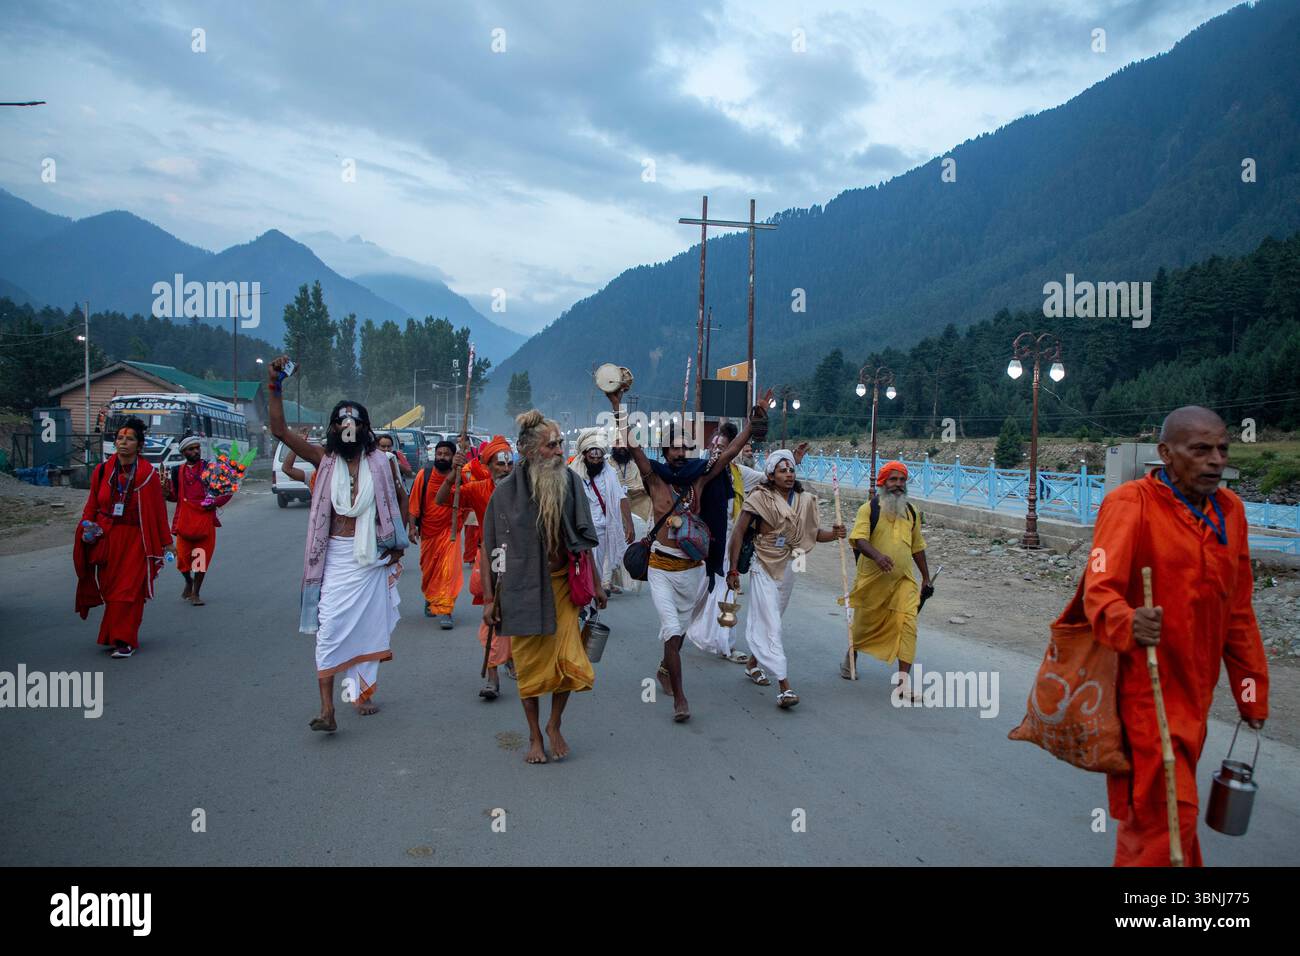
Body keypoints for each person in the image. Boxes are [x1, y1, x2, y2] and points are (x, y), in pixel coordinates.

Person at [1085, 406, 1268, 866]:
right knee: (1165, 814)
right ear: (1166, 453)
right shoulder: (1131, 503)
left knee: (1169, 814)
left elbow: (1239, 611)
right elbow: (1099, 586)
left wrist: (1251, 694)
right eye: (1201, 450)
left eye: (1222, 449)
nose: (1216, 461)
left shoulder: (1231, 511)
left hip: (1196, 693)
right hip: (1144, 689)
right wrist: (1126, 620)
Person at [607, 384, 767, 722]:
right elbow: (633, 446)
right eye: (673, 449)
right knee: (671, 628)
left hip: (694, 571)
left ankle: (666, 668)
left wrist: (753, 423)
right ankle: (681, 698)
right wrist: (617, 406)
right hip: (662, 569)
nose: (679, 454)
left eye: (684, 448)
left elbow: (730, 453)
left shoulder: (700, 479)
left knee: (679, 633)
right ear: (664, 452)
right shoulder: (653, 478)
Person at [267, 357, 407, 733]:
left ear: (364, 429)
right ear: (333, 429)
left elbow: (395, 503)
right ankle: (327, 710)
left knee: (367, 628)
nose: (348, 429)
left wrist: (398, 543)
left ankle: (361, 693)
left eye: (355, 424)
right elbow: (278, 429)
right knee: (328, 629)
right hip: (334, 558)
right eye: (342, 424)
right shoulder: (323, 459)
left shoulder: (381, 462)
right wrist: (274, 384)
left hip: (370, 560)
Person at [480, 410, 605, 764]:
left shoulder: (570, 482)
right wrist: (490, 600)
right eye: (551, 445)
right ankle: (534, 735)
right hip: (522, 592)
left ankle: (554, 724)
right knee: (532, 668)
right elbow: (490, 550)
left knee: (570, 661)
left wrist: (596, 583)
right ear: (530, 450)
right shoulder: (504, 495)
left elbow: (582, 541)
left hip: (564, 587)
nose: (558, 450)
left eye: (560, 443)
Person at [726, 450, 844, 707]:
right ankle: (784, 686)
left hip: (787, 567)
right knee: (773, 625)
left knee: (772, 619)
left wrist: (834, 534)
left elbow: (811, 535)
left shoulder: (804, 499)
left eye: (791, 470)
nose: (789, 474)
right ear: (770, 475)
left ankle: (752, 664)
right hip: (763, 566)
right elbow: (738, 533)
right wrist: (733, 569)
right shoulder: (759, 498)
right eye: (782, 470)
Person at [73, 417, 175, 658]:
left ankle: (125, 640)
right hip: (107, 537)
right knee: (110, 589)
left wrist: (166, 542)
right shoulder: (102, 471)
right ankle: (112, 634)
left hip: (136, 539)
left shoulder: (147, 474)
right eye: (120, 438)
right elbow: (91, 505)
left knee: (128, 590)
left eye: (129, 439)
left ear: (139, 446)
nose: (123, 443)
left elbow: (157, 512)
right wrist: (87, 525)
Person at [434, 435, 516, 699]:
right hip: (490, 558)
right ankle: (492, 677)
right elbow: (442, 500)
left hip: (520, 560)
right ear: (489, 466)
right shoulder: (479, 488)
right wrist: (453, 474)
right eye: (499, 464)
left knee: (516, 615)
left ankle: (512, 656)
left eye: (509, 464)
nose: (505, 469)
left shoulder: (524, 488)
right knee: (490, 615)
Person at [844, 461, 931, 702]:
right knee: (864, 625)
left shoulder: (911, 511)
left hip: (903, 581)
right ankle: (851, 654)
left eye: (902, 480)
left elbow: (918, 547)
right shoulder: (868, 509)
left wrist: (925, 577)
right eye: (893, 480)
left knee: (908, 625)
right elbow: (859, 539)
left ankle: (903, 684)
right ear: (882, 483)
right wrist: (878, 556)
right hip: (872, 581)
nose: (898, 485)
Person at [408, 440, 469, 627]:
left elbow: (467, 503)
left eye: (446, 454)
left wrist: (458, 522)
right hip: (428, 531)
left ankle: (446, 610)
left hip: (450, 531)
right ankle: (431, 597)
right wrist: (412, 527)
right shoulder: (423, 475)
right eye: (439, 453)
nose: (442, 457)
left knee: (449, 571)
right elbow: (414, 504)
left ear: (453, 457)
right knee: (429, 571)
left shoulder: (460, 477)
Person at [569, 429, 634, 598]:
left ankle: (597, 592)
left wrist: (630, 524)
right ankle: (589, 598)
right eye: (592, 458)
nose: (596, 461)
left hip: (605, 527)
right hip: (581, 530)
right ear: (584, 454)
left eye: (599, 458)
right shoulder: (573, 473)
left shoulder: (610, 473)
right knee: (583, 567)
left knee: (600, 563)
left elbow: (621, 497)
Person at [168, 435, 230, 606]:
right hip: (184, 521)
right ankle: (188, 581)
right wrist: (165, 493)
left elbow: (227, 490)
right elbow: (175, 496)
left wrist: (215, 503)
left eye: (197, 447)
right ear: (183, 452)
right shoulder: (176, 471)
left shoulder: (211, 468)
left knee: (200, 559)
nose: (195, 451)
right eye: (191, 449)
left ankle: (196, 592)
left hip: (204, 520)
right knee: (182, 560)